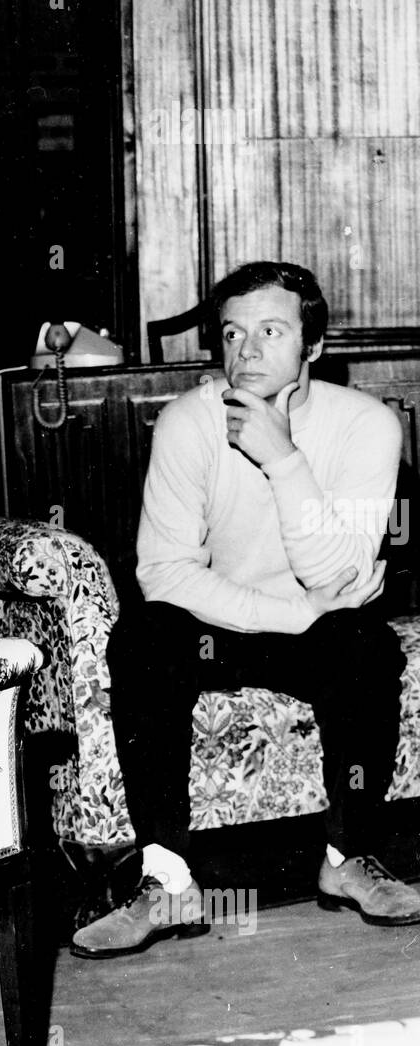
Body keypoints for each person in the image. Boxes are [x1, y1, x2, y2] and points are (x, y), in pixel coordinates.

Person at [71, 260, 420, 959]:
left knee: (366, 646)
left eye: (271, 330)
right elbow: (163, 574)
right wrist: (293, 613)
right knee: (142, 638)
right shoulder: (185, 422)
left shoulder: (368, 427)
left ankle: (345, 858)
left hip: (326, 634)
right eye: (232, 333)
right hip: (225, 626)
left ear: (312, 348)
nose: (247, 350)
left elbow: (341, 575)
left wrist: (283, 457)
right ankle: (166, 880)